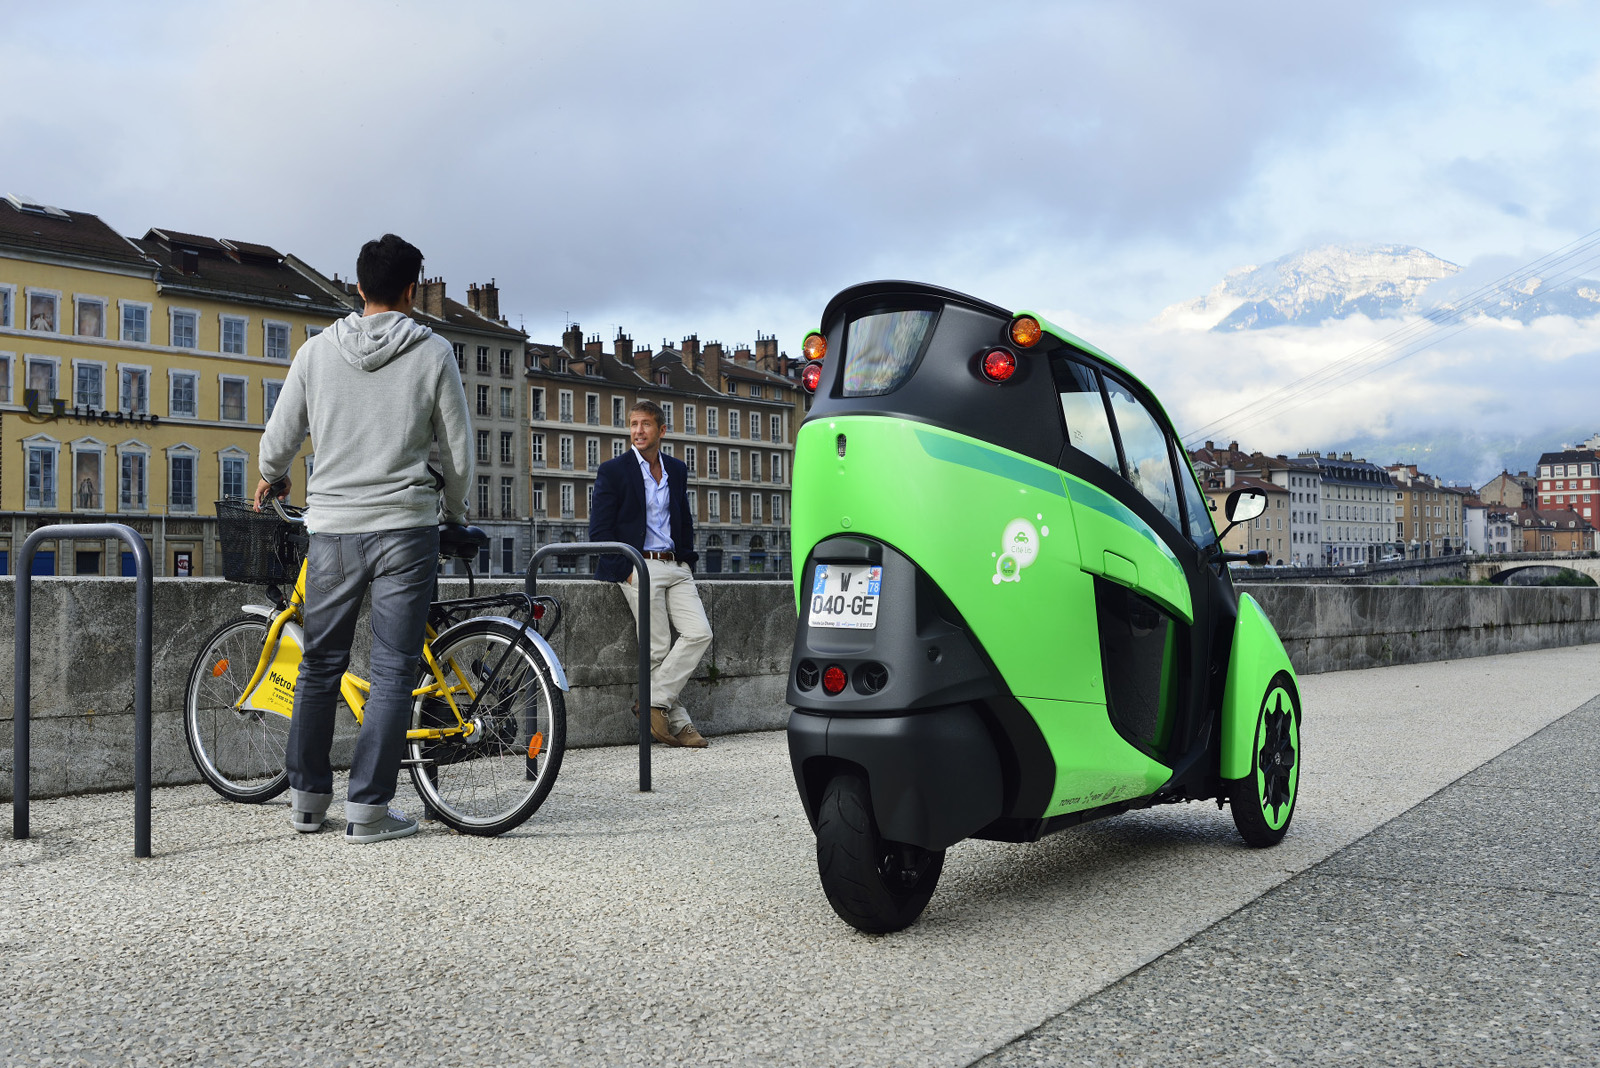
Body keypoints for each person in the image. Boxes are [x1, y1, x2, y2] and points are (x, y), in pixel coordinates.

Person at [256, 233, 472, 843]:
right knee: (394, 669)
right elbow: (457, 451)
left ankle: (306, 803)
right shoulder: (433, 352)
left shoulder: (316, 352)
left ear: (357, 287)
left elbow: (279, 439)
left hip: (332, 529)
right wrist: (455, 513)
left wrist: (273, 474)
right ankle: (368, 810)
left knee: (319, 664)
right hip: (405, 526)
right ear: (411, 291)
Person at [589, 400, 712, 747]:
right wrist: (626, 571)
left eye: (645, 424)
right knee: (657, 648)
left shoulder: (676, 469)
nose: (638, 431)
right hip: (640, 565)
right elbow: (599, 531)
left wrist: (687, 561)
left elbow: (683, 519)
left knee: (699, 633)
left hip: (676, 564)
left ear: (661, 430)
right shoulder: (614, 471)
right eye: (633, 424)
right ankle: (680, 723)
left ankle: (651, 702)